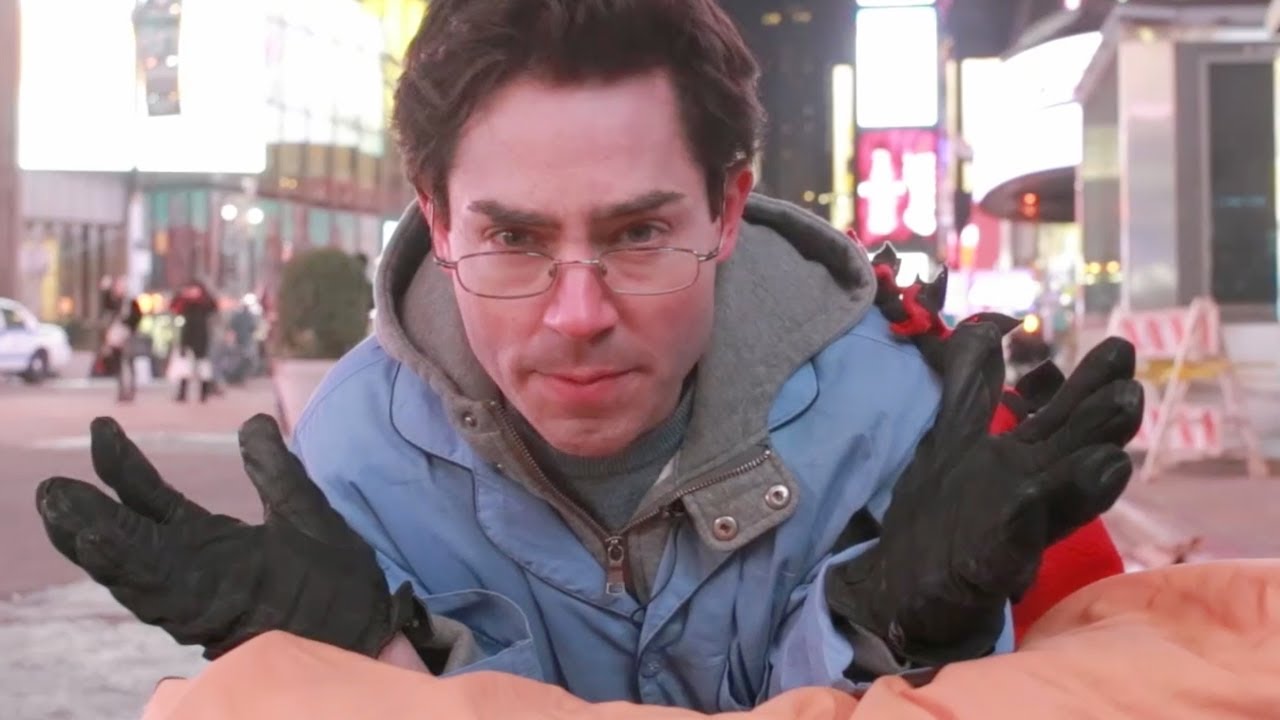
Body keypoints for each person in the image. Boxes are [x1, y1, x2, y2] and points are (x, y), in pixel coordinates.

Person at [33, 0, 1142, 712]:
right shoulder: (355, 457)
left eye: (636, 234)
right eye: (512, 238)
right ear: (436, 212)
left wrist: (897, 627)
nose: (575, 314)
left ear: (725, 208)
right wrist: (359, 661)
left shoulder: (894, 421)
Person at [168, 278, 219, 402]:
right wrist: (181, 294)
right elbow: (173, 306)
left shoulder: (204, 303)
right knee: (184, 367)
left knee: (203, 367)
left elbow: (213, 306)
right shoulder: (185, 303)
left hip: (202, 338)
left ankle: (204, 393)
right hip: (187, 337)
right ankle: (182, 393)